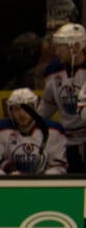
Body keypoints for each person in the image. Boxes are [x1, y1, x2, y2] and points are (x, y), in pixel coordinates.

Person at [0, 86, 68, 175]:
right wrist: (7, 178)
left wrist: (42, 181)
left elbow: (58, 167)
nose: (21, 114)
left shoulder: (53, 130)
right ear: (10, 111)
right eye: (16, 109)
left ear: (35, 108)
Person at [40, 22, 86, 170]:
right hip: (66, 141)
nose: (57, 51)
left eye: (61, 47)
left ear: (76, 47)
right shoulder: (54, 70)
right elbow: (48, 104)